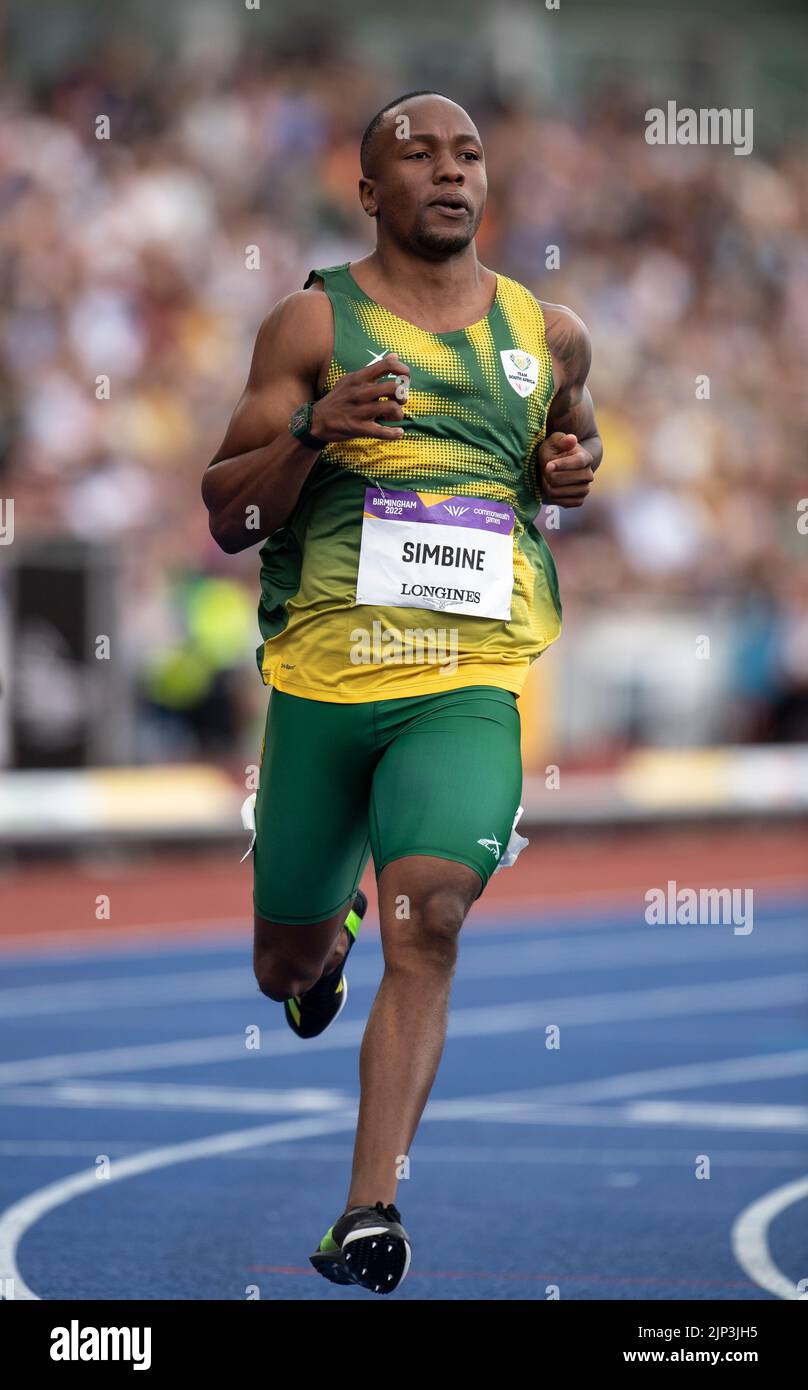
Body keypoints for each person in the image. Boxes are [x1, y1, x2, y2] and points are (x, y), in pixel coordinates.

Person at [201, 89, 602, 1295]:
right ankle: (321, 955)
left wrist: (569, 467)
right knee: (279, 967)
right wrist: (315, 431)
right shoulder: (309, 324)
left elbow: (572, 441)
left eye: (468, 153)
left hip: (468, 681)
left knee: (431, 915)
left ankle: (368, 1209)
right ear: (368, 192)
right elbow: (229, 514)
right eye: (415, 154)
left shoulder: (551, 332)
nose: (448, 171)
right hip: (325, 682)